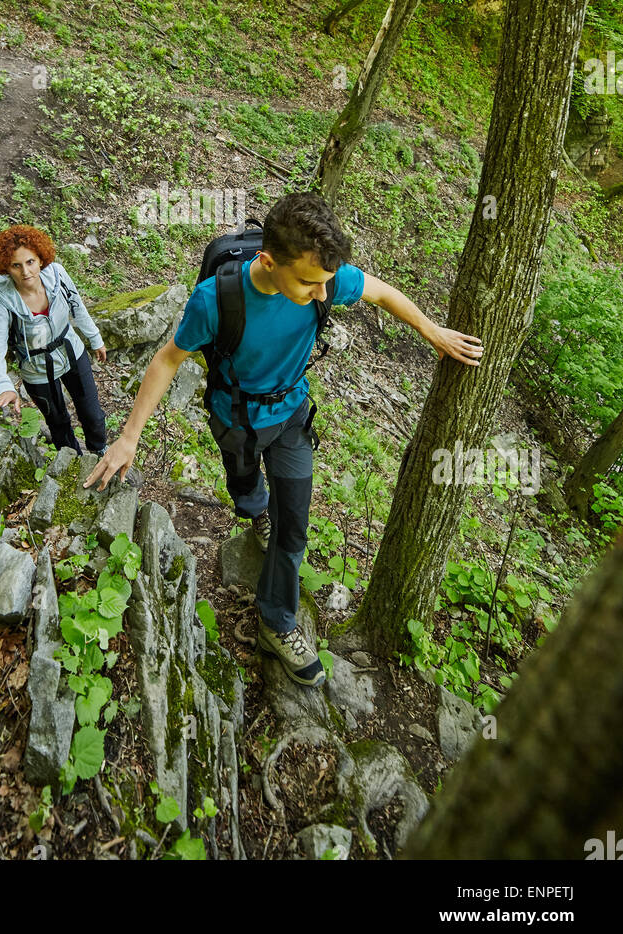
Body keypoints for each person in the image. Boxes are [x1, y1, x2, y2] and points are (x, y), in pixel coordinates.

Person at [83, 191, 484, 687]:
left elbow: (379, 292)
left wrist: (432, 332)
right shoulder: (217, 299)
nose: (323, 296)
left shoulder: (324, 280)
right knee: (247, 488)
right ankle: (254, 512)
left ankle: (277, 620)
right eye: (310, 284)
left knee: (294, 529)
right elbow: (169, 359)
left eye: (326, 284)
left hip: (292, 415)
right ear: (268, 262)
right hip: (236, 419)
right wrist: (128, 437)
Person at [0, 224, 108, 456]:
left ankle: (100, 450)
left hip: (71, 350)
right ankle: (71, 464)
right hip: (36, 369)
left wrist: (95, 338)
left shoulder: (57, 275)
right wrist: (4, 386)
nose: (25, 272)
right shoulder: (3, 301)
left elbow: (77, 306)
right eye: (16, 266)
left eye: (30, 262)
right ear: (6, 269)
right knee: (58, 422)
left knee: (92, 413)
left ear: (40, 259)